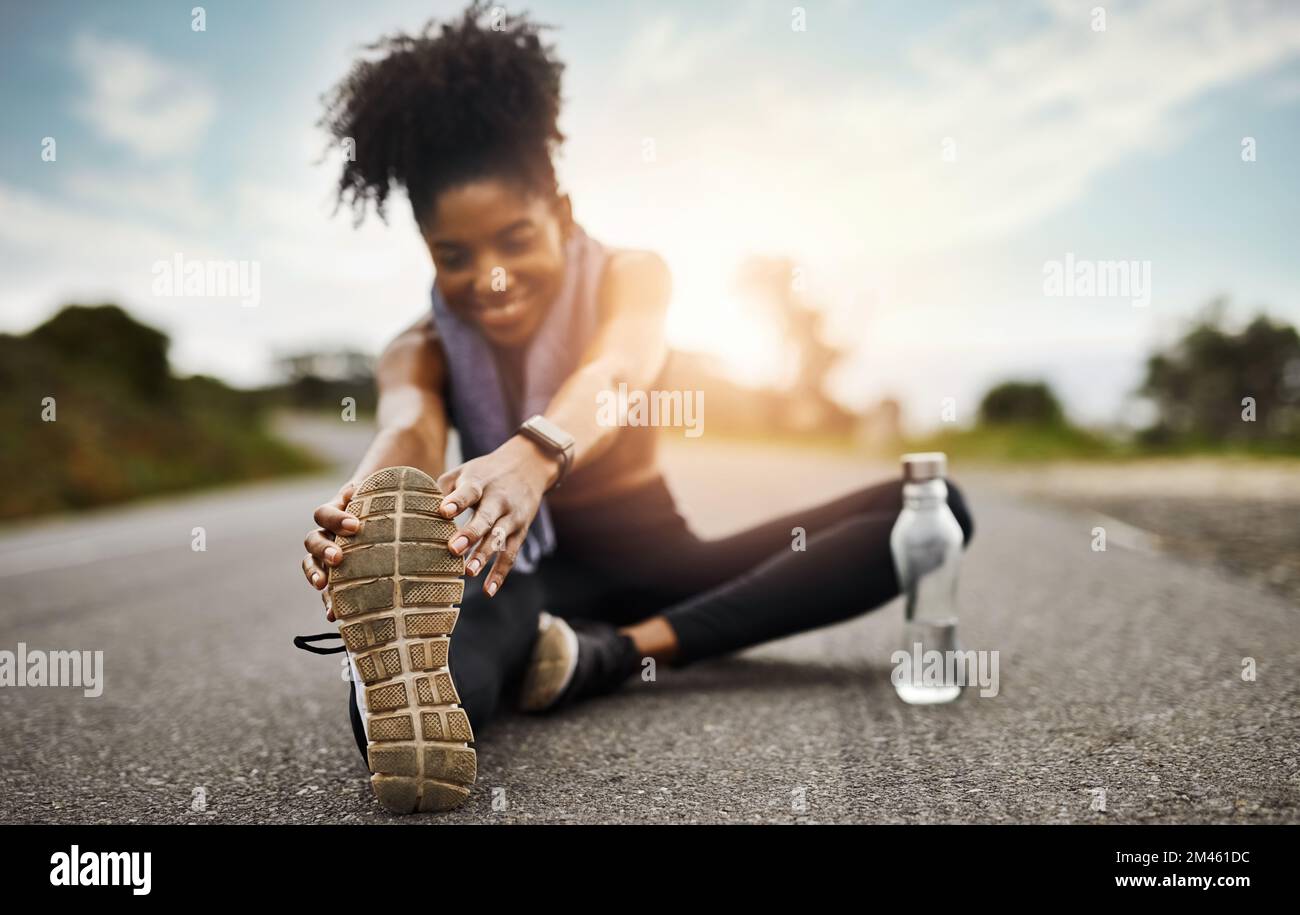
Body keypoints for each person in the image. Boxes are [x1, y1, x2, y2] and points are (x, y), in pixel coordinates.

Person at [296, 2, 974, 813]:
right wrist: (363, 507)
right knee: (400, 717)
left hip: (657, 565)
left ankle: (610, 654)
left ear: (564, 214)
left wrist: (533, 451)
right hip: (506, 569)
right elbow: (406, 424)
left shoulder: (632, 274)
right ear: (427, 254)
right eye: (455, 256)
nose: (492, 278)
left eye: (516, 239)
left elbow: (619, 368)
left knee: (933, 511)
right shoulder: (419, 344)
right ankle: (500, 660)